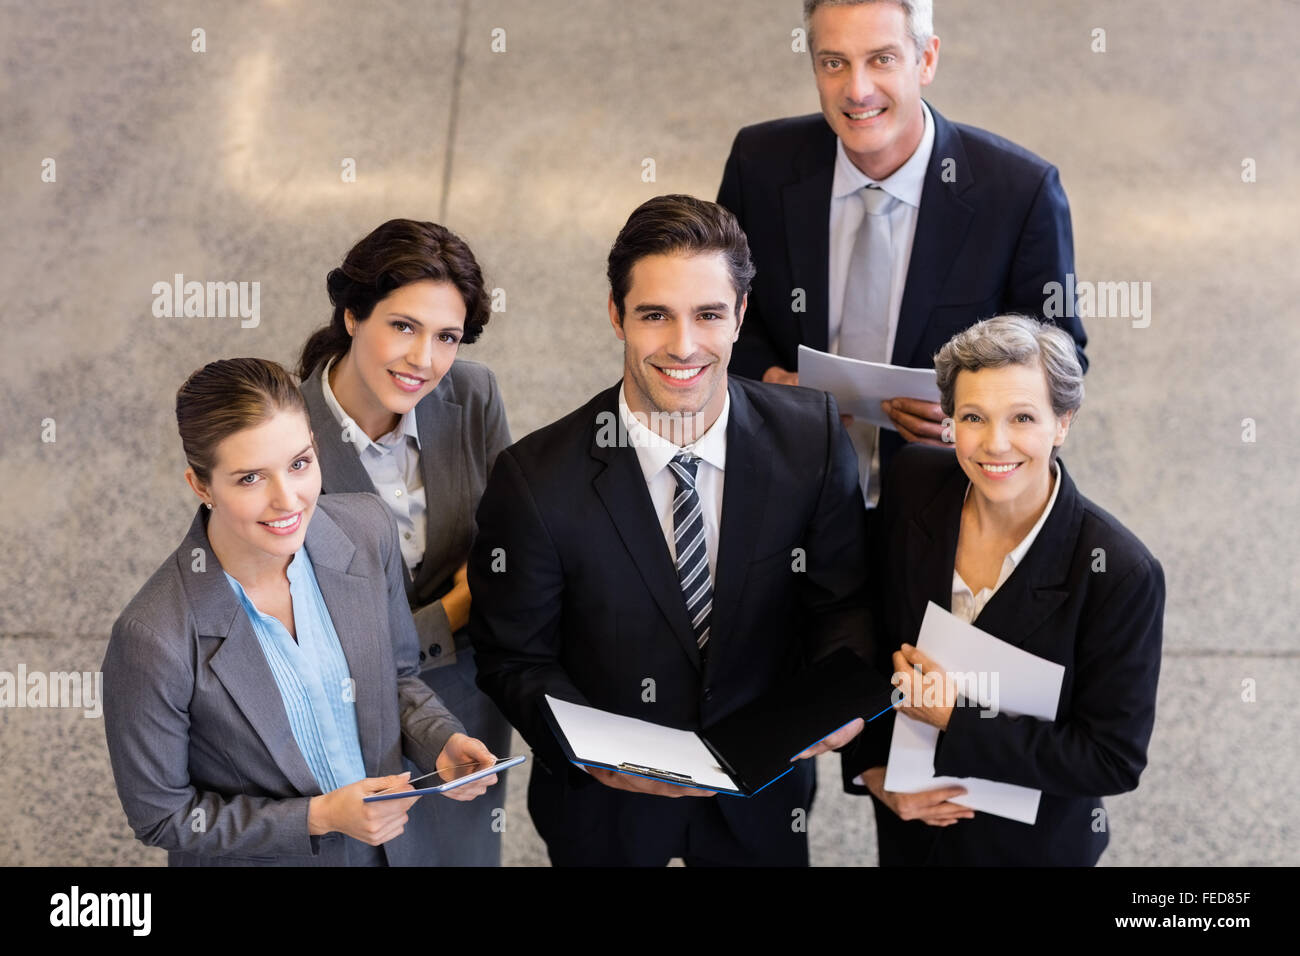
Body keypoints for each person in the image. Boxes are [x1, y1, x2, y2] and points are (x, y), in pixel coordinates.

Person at [468, 194, 882, 867]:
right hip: (605, 810)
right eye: (655, 315)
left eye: (709, 315)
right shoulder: (534, 481)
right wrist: (595, 754)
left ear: (742, 315)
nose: (683, 346)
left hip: (765, 795)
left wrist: (835, 700)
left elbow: (842, 602)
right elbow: (514, 657)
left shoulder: (811, 440)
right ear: (616, 315)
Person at [103, 358, 499, 866]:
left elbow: (396, 677)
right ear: (202, 487)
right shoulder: (153, 636)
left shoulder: (364, 528)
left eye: (299, 463)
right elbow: (162, 816)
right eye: (250, 478)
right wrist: (319, 816)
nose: (287, 500)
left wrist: (439, 742)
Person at [716, 0, 1088, 501]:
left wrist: (975, 413)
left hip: (945, 497)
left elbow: (1061, 356)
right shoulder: (758, 164)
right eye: (834, 62)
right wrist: (767, 380)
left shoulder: (1020, 193)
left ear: (927, 60)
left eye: (882, 59)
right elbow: (719, 310)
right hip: (787, 486)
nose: (857, 90)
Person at [840, 315, 1163, 865]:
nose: (995, 444)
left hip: (1028, 847)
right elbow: (870, 622)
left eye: (1023, 418)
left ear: (1063, 422)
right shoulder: (915, 480)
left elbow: (1112, 759)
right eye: (973, 417)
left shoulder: (1119, 572)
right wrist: (871, 767)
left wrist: (953, 720)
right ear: (948, 421)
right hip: (909, 824)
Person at [297, 219, 514, 866]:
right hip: (339, 720)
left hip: (463, 707)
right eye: (403, 326)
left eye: (446, 336)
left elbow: (511, 545)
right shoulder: (284, 442)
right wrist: (452, 611)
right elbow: (314, 639)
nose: (424, 359)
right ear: (352, 315)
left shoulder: (471, 395)